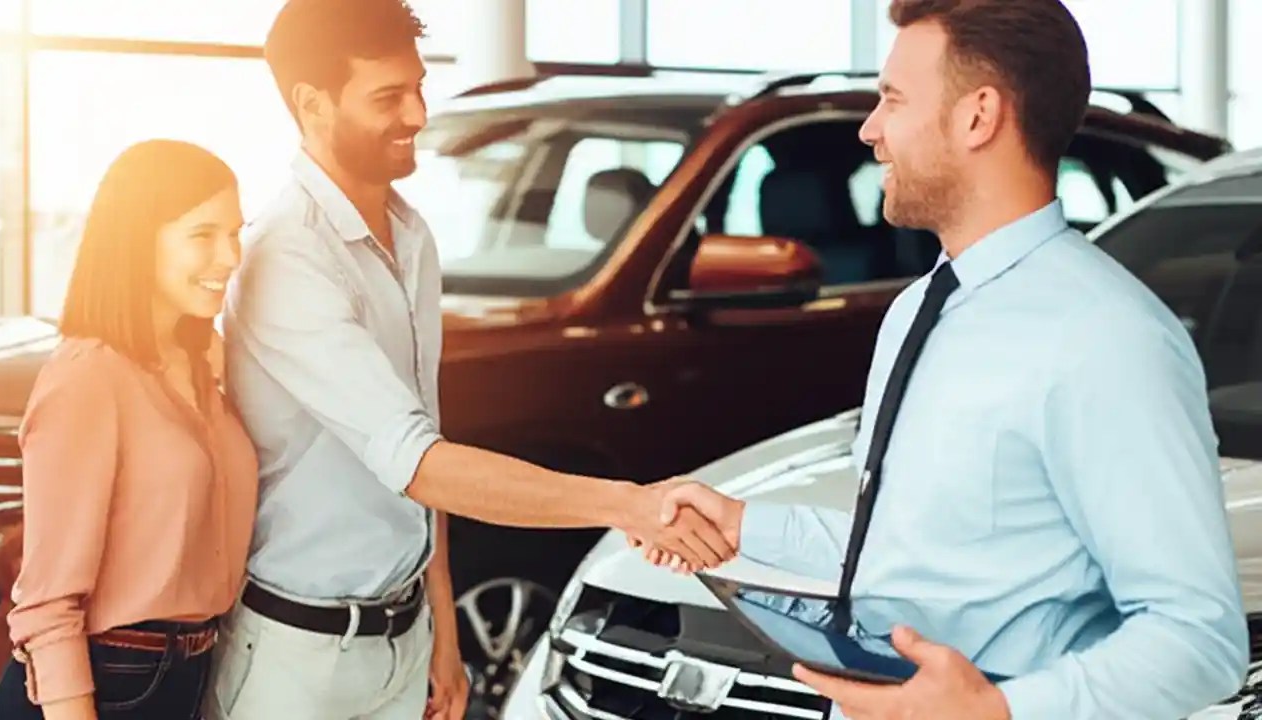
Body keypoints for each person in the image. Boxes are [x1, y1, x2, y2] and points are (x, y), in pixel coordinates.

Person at [645, 1, 1250, 718]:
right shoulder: (921, 307)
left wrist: (1001, 712)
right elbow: (916, 550)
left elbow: (1199, 638)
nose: (870, 131)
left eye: (892, 100)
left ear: (978, 117)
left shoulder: (1108, 337)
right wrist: (744, 525)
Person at [203, 1, 735, 719]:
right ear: (311, 103)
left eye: (418, 86)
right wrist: (629, 505)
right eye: (388, 97)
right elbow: (419, 461)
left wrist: (442, 633)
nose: (417, 114)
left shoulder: (409, 234)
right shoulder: (288, 259)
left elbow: (427, 447)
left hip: (402, 637)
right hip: (297, 659)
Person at [0, 140, 257, 720]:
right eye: (203, 235)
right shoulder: (88, 376)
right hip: (100, 684)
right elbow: (48, 603)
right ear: (140, 240)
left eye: (236, 232)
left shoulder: (203, 362)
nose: (231, 255)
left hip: (190, 673)